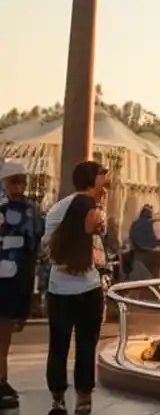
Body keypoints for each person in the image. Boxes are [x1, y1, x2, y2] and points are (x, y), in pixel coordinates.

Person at [44, 160, 111, 415]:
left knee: (57, 345)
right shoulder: (88, 205)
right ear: (90, 179)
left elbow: (46, 245)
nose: (106, 181)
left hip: (58, 287)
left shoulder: (56, 209)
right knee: (86, 345)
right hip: (86, 288)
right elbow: (92, 227)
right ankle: (83, 399)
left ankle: (57, 398)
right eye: (102, 176)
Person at [0, 162, 43, 410]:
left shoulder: (29, 210)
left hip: (17, 280)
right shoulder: (28, 210)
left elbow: (35, 242)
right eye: (13, 181)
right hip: (13, 281)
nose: (18, 186)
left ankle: (3, 379)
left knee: (5, 335)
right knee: (3, 334)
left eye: (20, 181)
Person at [126, 205, 160, 281]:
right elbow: (159, 239)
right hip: (153, 254)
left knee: (139, 281)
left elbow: (131, 238)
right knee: (154, 280)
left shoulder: (135, 224)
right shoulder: (154, 223)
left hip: (139, 254)